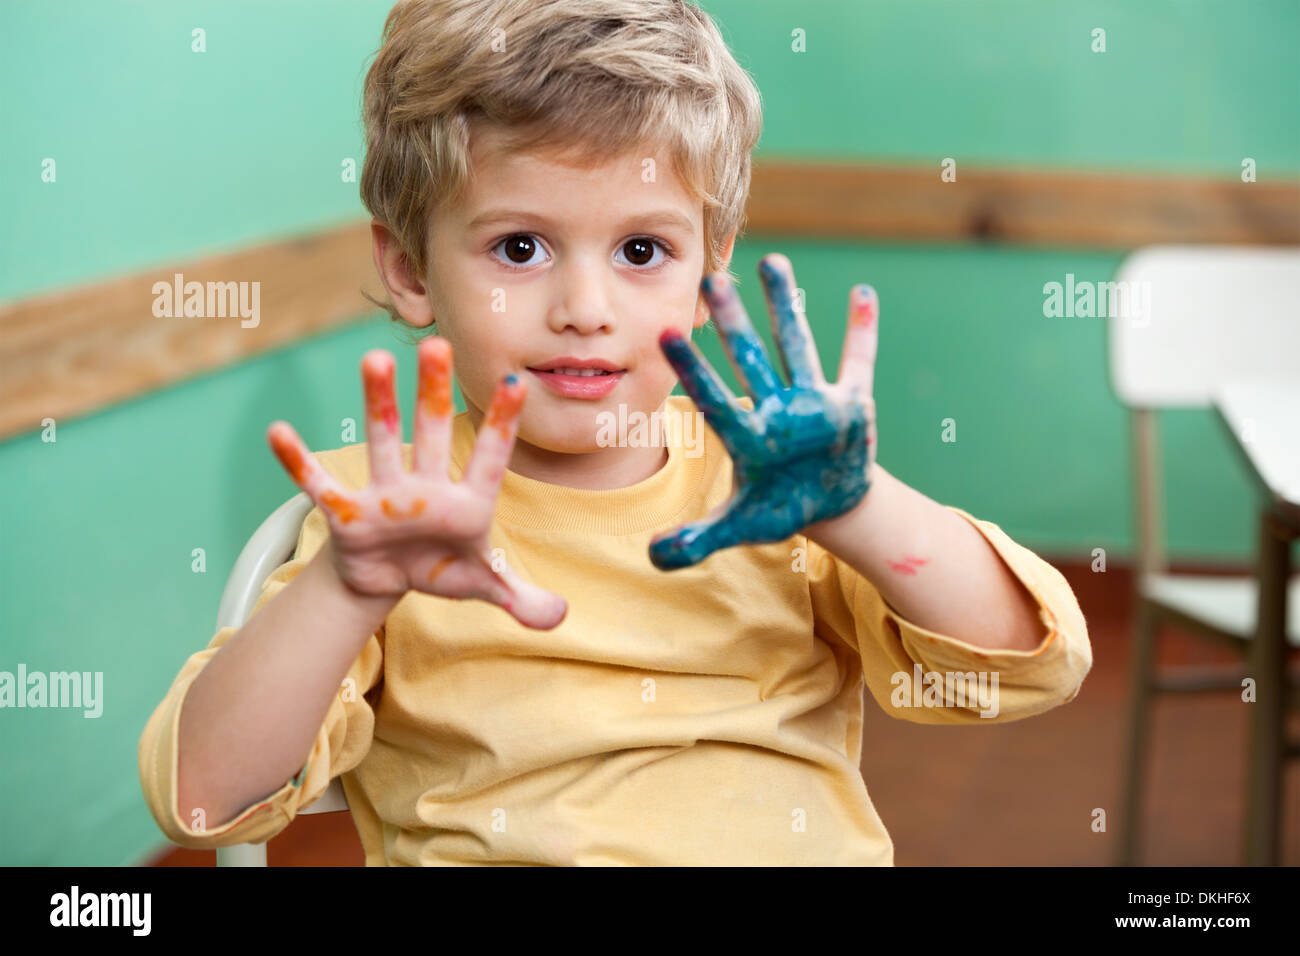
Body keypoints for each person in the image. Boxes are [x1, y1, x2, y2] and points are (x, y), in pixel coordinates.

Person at [139, 0, 1092, 865]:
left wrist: (862, 510)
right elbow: (203, 797)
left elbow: (1031, 665)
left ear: (710, 262)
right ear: (412, 267)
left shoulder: (775, 488)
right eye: (520, 247)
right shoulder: (388, 521)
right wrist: (351, 590)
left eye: (643, 250)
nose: (584, 309)